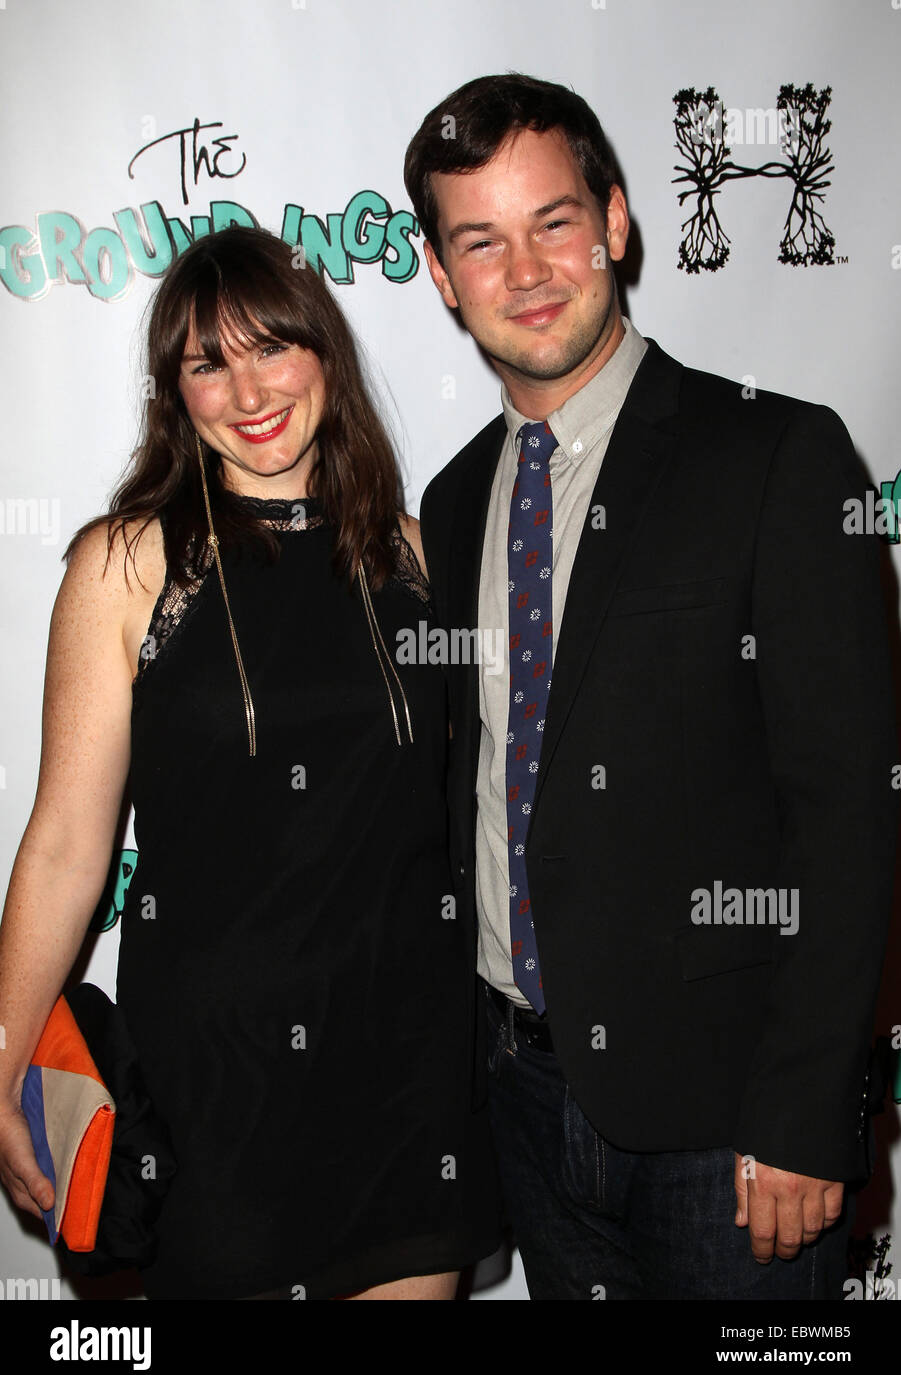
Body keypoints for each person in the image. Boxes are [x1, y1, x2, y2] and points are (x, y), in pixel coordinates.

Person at [403, 73, 898, 1300]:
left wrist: (803, 1111)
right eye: (481, 240)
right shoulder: (455, 501)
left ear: (616, 221)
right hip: (519, 1096)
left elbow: (852, 806)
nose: (525, 271)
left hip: (732, 1127)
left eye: (553, 221)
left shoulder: (777, 456)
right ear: (439, 272)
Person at [0, 225, 500, 1300]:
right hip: (212, 1083)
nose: (248, 388)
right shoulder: (127, 563)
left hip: (406, 1070)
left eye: (272, 346)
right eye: (207, 361)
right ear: (173, 391)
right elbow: (65, 846)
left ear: (326, 354)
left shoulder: (418, 559)